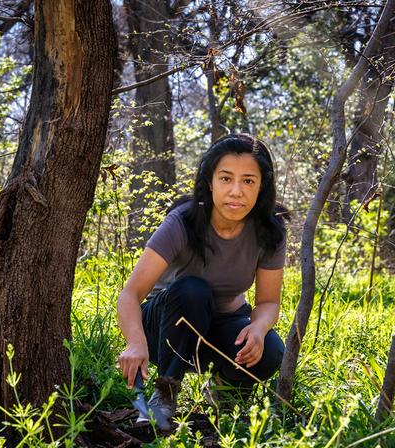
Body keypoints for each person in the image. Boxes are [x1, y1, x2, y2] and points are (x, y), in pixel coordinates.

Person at [117, 133, 288, 426]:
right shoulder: (182, 222)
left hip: (223, 326)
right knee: (192, 291)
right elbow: (130, 295)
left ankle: (225, 392)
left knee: (272, 349)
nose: (236, 191)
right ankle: (164, 396)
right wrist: (135, 343)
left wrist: (259, 328)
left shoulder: (269, 229)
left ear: (262, 186)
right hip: (166, 328)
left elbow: (269, 301)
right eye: (225, 179)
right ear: (210, 182)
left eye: (248, 181)